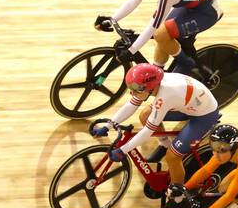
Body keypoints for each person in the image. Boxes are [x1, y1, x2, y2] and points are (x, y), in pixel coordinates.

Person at [90, 63, 219, 188]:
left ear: (150, 86)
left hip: (203, 116)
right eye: (131, 88)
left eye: (135, 89)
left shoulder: (166, 95)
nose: (132, 93)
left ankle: (177, 195)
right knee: (145, 115)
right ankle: (165, 145)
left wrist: (123, 150)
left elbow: (148, 131)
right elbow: (132, 104)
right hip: (188, 105)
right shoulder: (153, 85)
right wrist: (108, 125)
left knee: (172, 157)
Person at [95, 0, 222, 76]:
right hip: (191, 5)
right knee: (163, 35)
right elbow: (132, 1)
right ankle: (157, 73)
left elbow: (153, 26)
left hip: (206, 13)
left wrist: (131, 51)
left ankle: (186, 63)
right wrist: (112, 19)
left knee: (160, 34)